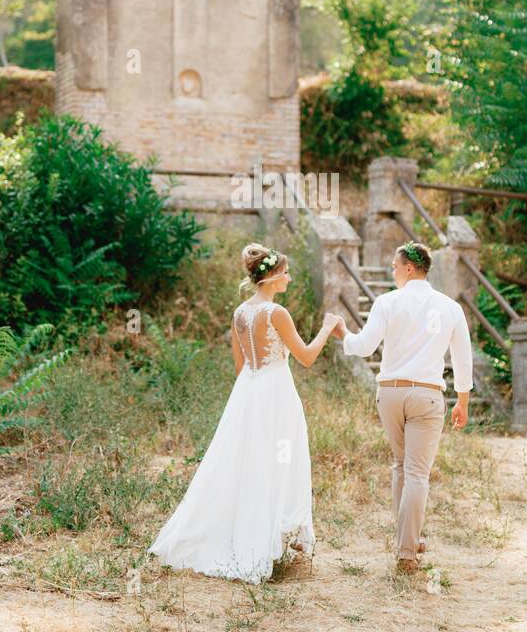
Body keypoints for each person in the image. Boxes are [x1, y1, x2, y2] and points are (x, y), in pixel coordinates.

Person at [148, 243, 340, 583]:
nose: (290, 278)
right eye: (286, 273)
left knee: (247, 462)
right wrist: (327, 327)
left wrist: (256, 384)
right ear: (271, 277)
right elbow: (307, 357)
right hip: (276, 392)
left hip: (248, 393)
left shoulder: (240, 313)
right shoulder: (275, 313)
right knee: (278, 461)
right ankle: (267, 540)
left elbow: (240, 365)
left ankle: (255, 534)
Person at [329, 240, 473, 574]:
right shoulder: (451, 307)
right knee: (417, 472)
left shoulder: (387, 302)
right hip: (426, 395)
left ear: (409, 267)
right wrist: (462, 400)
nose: (392, 271)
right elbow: (462, 359)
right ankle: (408, 552)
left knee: (400, 465)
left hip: (390, 393)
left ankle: (406, 540)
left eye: (395, 266)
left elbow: (364, 347)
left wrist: (343, 334)